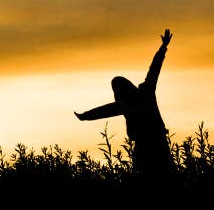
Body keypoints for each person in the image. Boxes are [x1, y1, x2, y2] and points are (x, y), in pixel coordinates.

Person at [74, 29, 174, 175]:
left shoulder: (142, 93)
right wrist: (85, 116)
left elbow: (154, 69)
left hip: (154, 144)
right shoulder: (136, 97)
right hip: (149, 144)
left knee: (157, 175)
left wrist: (163, 48)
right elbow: (104, 110)